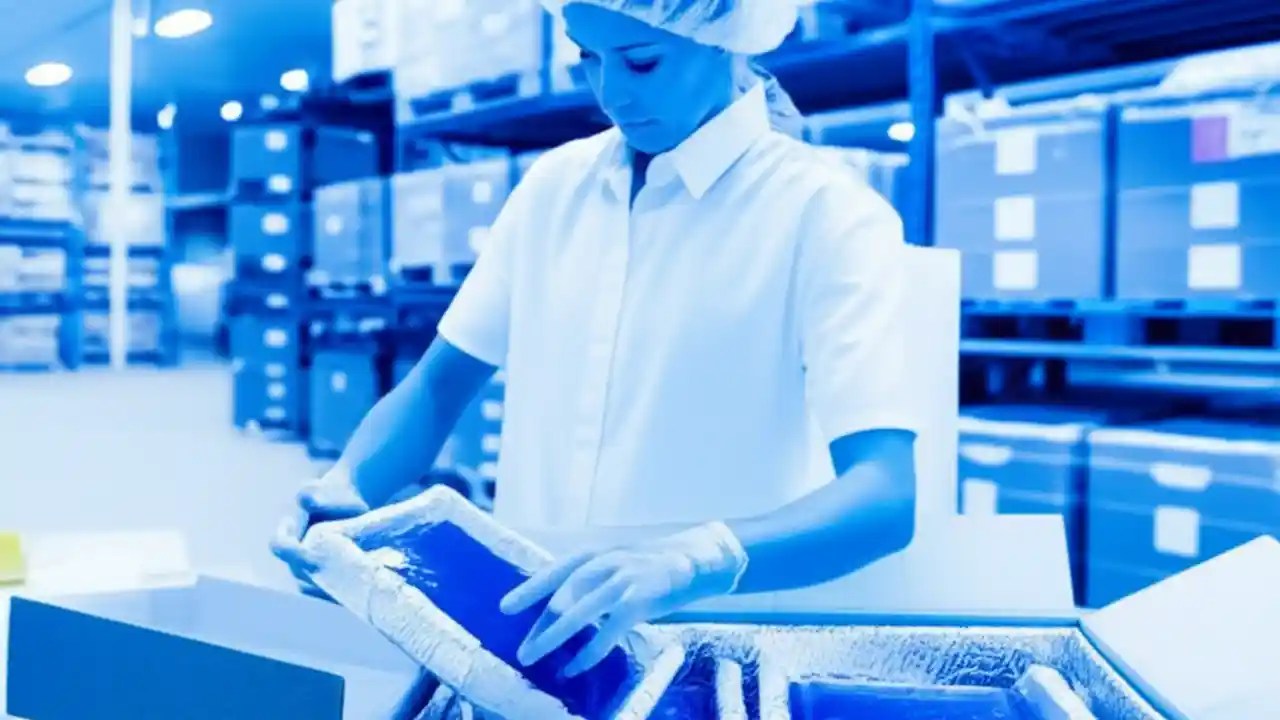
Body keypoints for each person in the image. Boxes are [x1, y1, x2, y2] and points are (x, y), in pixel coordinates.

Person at [273, 0, 918, 681]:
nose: (611, 93)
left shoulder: (824, 215)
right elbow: (438, 388)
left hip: (700, 657)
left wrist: (690, 561)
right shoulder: (555, 189)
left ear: (724, 42)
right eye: (587, 56)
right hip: (526, 641)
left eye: (641, 61)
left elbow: (882, 494)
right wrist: (350, 488)